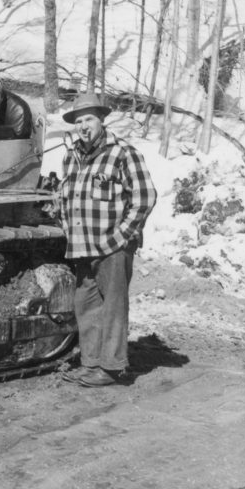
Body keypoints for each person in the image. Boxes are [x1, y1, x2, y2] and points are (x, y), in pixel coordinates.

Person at [58, 92, 156, 388]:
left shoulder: (123, 152)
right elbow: (66, 197)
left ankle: (111, 368)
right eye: (78, 121)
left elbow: (145, 198)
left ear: (102, 119)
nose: (83, 126)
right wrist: (67, 227)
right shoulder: (71, 155)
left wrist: (121, 236)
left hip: (113, 247)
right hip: (83, 245)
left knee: (113, 307)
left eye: (89, 119)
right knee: (85, 305)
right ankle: (91, 364)